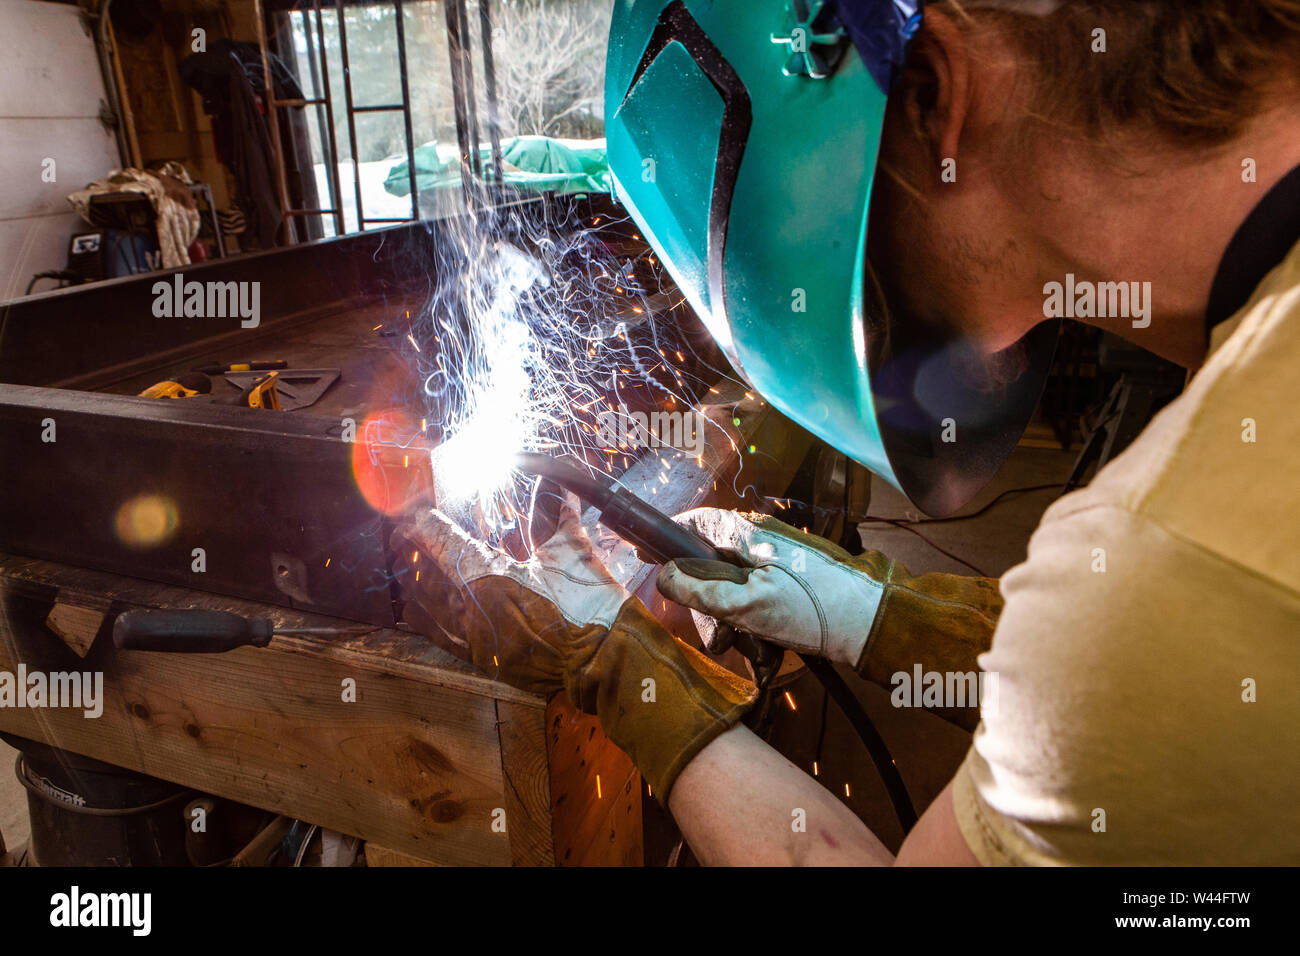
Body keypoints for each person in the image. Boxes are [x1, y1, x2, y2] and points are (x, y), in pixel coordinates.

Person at [398, 0, 1300, 864]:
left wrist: (626, 670)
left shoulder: (1184, 550)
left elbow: (1149, 630)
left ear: (933, 95)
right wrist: (882, 616)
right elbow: (1151, 694)